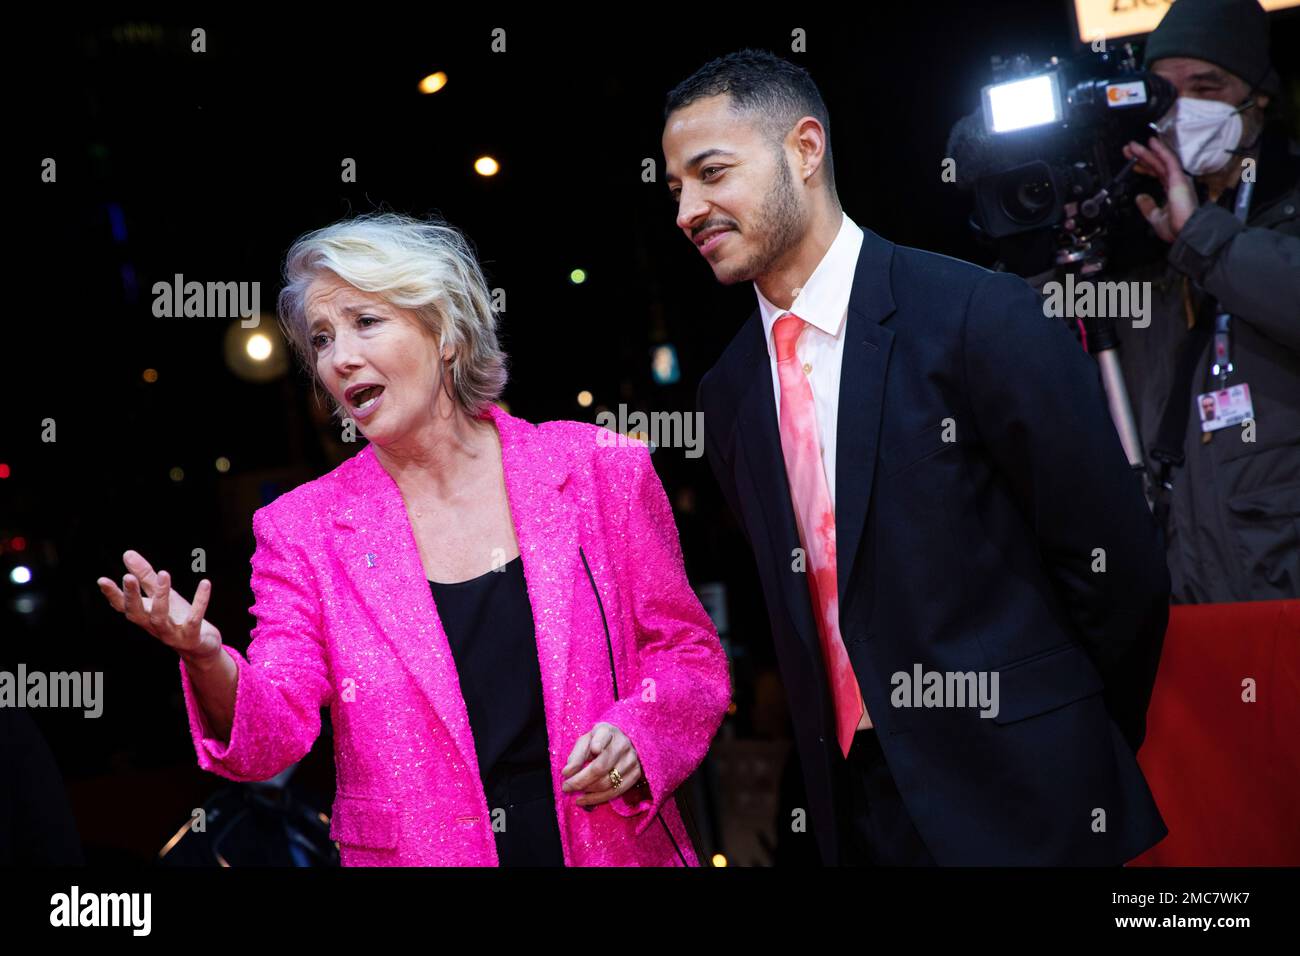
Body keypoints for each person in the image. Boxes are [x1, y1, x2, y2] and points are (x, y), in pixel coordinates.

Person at [96, 213, 730, 866]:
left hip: (613, 845)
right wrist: (207, 658)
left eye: (366, 322)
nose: (338, 358)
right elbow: (274, 736)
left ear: (446, 333)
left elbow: (685, 651)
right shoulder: (301, 531)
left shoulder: (601, 468)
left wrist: (643, 732)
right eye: (320, 338)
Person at [668, 50, 1170, 865]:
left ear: (804, 148)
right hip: (858, 815)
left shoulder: (977, 315)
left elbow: (1119, 569)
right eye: (674, 190)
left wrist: (1062, 733)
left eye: (711, 172)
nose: (688, 209)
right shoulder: (727, 392)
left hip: (1029, 802)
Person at [1114, 0, 1299, 602]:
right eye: (1165, 92)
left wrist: (1201, 239)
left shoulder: (1285, 206)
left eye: (1207, 86)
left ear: (1259, 96)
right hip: (1193, 586)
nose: (1184, 108)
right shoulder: (1142, 229)